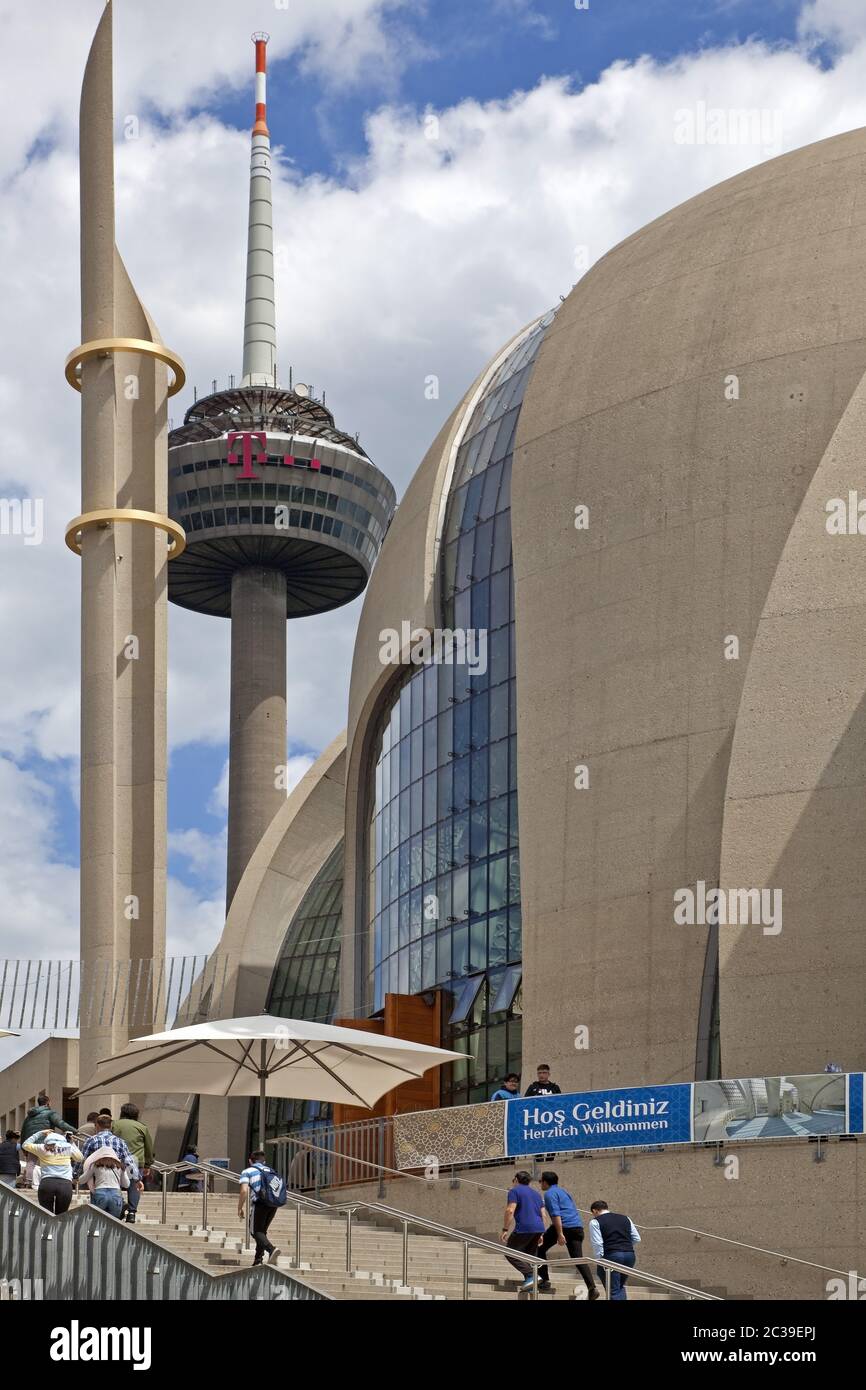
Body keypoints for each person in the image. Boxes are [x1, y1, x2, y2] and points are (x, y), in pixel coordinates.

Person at [537, 1171, 599, 1298]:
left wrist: (560, 1233)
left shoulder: (549, 1194)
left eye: (540, 1181)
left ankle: (544, 1280)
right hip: (577, 1228)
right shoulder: (563, 1191)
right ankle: (592, 1288)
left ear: (545, 1182)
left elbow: (556, 1214)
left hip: (563, 1227)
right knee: (578, 1259)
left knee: (539, 1248)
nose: (540, 1184)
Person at [81, 1115, 140, 1219]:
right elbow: (129, 1161)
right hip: (115, 1181)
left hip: (97, 1181)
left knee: (97, 1216)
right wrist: (137, 1178)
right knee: (113, 1220)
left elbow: (83, 1160)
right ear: (111, 1125)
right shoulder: (120, 1142)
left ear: (97, 1126)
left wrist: (75, 1175)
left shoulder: (91, 1141)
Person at [500, 1170, 545, 1293]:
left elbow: (510, 1210)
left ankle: (532, 1276)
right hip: (538, 1228)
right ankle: (531, 1285)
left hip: (524, 1228)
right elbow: (543, 1214)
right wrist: (541, 1232)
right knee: (529, 1258)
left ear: (516, 1180)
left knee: (510, 1253)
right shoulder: (536, 1194)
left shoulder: (514, 1191)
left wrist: (505, 1229)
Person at [588, 1200, 641, 1300]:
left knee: (613, 1289)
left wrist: (599, 1260)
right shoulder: (625, 1218)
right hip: (629, 1256)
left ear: (595, 1211)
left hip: (612, 1255)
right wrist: (625, 1246)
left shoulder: (595, 1222)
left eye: (593, 1214)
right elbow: (637, 1238)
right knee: (619, 1286)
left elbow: (597, 1243)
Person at [238, 1149, 283, 1267]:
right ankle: (258, 1260)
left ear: (250, 1161)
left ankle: (271, 1249)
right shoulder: (271, 1171)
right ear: (264, 1161)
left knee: (255, 1231)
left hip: (260, 1203)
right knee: (261, 1232)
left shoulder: (247, 1171)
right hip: (273, 1204)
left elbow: (243, 1191)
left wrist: (239, 1207)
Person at [20, 1093, 74, 1188]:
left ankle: (27, 1182)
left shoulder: (28, 1117)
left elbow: (23, 1131)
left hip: (32, 1143)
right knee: (48, 1161)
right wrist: (75, 1131)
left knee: (31, 1163)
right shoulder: (50, 1113)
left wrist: (23, 1148)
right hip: (46, 1142)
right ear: (48, 1103)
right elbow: (60, 1124)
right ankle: (46, 1181)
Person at [22, 1130, 83, 1215]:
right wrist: (72, 1143)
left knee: (46, 1215)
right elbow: (80, 1158)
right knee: (61, 1216)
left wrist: (40, 1133)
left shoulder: (42, 1147)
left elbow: (25, 1145)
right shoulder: (68, 1147)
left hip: (47, 1183)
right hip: (65, 1184)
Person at [112, 1102, 154, 1223]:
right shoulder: (142, 1127)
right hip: (135, 1161)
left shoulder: (115, 1124)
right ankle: (131, 1213)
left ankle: (118, 1206)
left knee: (115, 1185)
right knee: (133, 1186)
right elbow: (149, 1147)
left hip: (116, 1160)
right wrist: (148, 1164)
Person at [82, 1146, 129, 1219]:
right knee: (114, 1222)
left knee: (97, 1220)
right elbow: (126, 1184)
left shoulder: (95, 1164)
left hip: (100, 1193)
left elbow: (83, 1180)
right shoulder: (120, 1166)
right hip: (115, 1195)